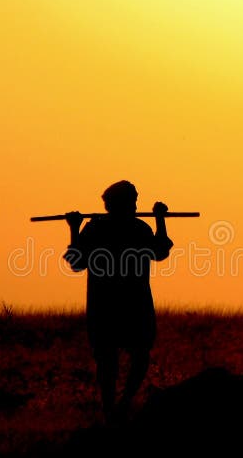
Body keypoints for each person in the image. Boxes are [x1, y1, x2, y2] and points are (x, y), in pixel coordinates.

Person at [63, 180, 173, 424]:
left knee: (119, 357)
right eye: (131, 201)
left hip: (113, 305)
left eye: (135, 201)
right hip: (126, 304)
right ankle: (115, 407)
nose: (135, 206)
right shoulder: (134, 229)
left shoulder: (99, 229)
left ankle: (117, 406)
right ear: (116, 204)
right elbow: (160, 251)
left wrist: (74, 228)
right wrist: (160, 219)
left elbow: (76, 261)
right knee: (115, 357)